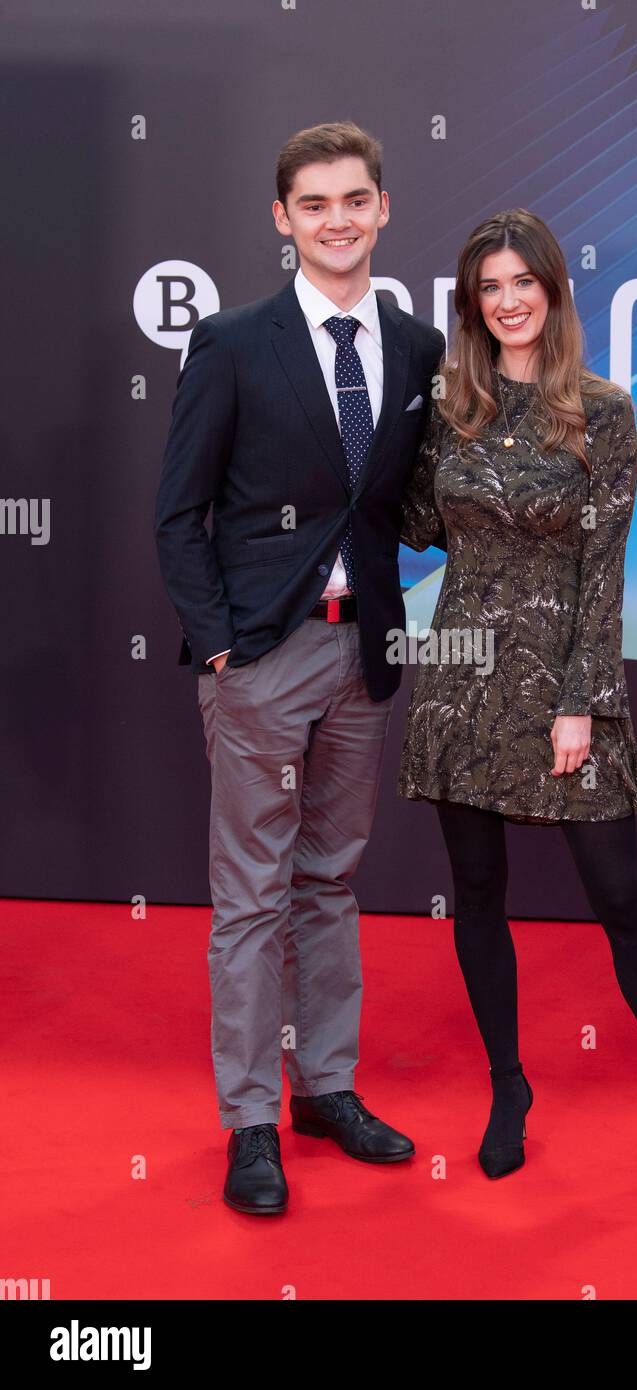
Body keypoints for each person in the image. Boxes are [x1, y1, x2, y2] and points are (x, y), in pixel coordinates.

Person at [397, 208, 637, 1204]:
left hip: (563, 685)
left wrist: (580, 700)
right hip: (461, 681)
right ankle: (508, 1086)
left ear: (552, 290)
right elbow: (417, 522)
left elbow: (603, 571)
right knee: (478, 892)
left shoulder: (601, 411)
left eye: (521, 282)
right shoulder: (447, 407)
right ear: (472, 303)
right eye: (487, 287)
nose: (506, 301)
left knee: (621, 901)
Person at [155, 121, 445, 1216]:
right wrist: (223, 643)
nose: (336, 219)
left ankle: (325, 1085)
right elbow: (178, 513)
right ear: (283, 220)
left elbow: (410, 500)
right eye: (313, 203)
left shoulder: (416, 347)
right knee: (249, 897)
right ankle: (249, 1122)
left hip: (362, 650)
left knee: (329, 880)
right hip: (263, 658)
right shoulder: (232, 343)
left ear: (381, 209)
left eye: (354, 200)